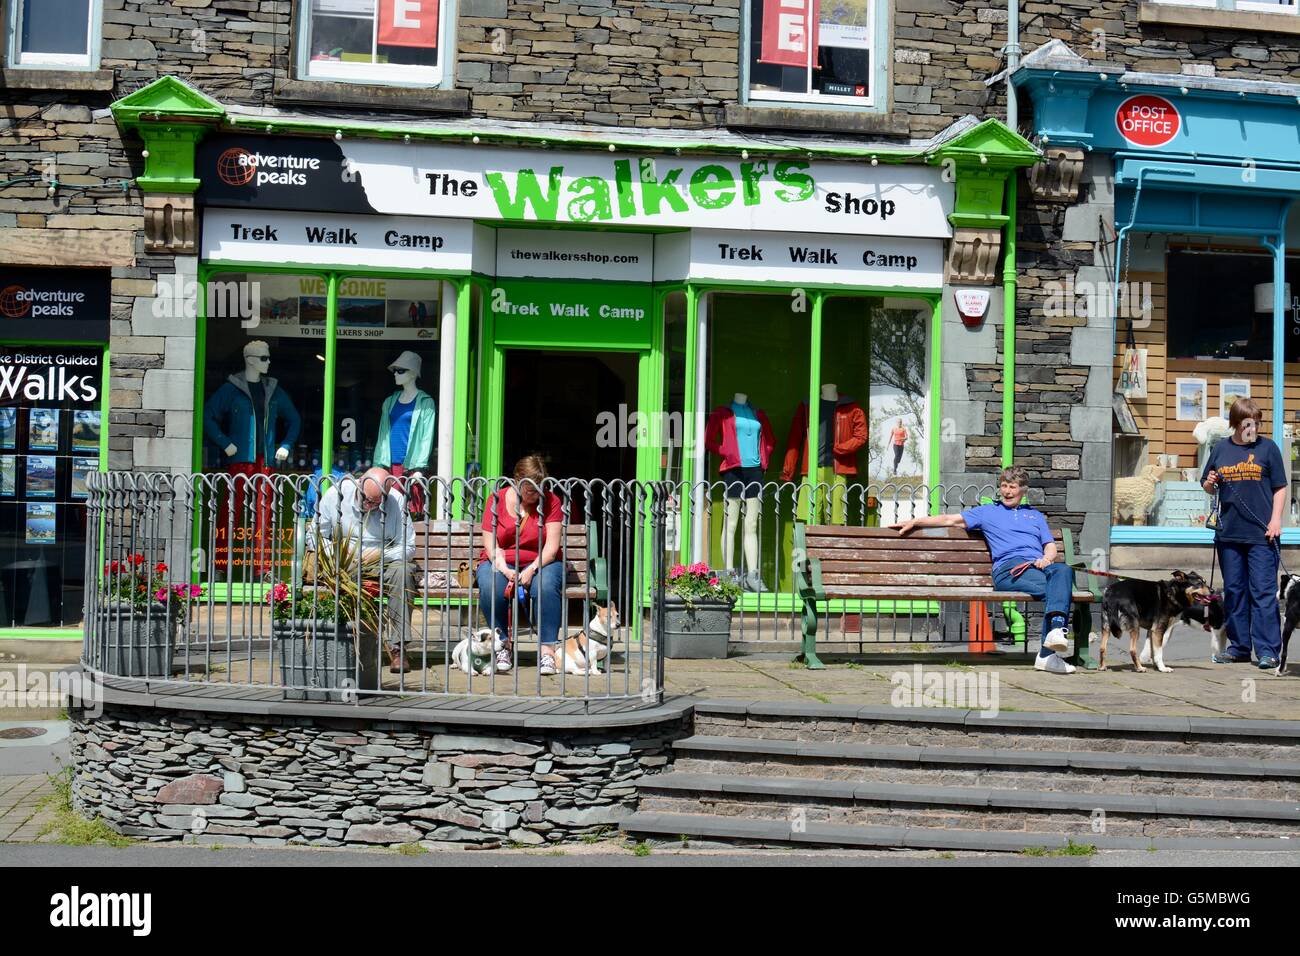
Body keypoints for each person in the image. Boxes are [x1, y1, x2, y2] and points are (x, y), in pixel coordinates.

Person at [890, 466, 1076, 674]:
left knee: (1064, 571)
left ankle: (1053, 638)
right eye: (1003, 486)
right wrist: (916, 520)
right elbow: (950, 519)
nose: (1006, 491)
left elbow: (1050, 546)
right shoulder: (988, 512)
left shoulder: (1035, 516)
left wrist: (1046, 558)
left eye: (1012, 487)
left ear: (1023, 490)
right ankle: (1049, 650)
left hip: (1038, 567)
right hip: (1009, 570)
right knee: (1058, 590)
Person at [1202, 397, 1286, 669]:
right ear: (1235, 425)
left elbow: (1280, 487)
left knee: (1262, 592)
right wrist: (1210, 483)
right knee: (1235, 592)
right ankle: (1239, 648)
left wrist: (1275, 520)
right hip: (1229, 535)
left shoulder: (1269, 449)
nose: (1254, 428)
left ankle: (1268, 651)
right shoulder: (1221, 450)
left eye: (1257, 423)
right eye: (1248, 424)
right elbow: (1207, 484)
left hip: (1263, 535)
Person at [309, 467, 417, 674]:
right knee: (346, 575)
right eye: (367, 499)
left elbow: (408, 547)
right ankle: (352, 643)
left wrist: (377, 556)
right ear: (359, 485)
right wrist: (338, 554)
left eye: (377, 503)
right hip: (346, 560)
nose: (369, 506)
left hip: (384, 561)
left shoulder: (396, 500)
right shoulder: (336, 495)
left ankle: (398, 648)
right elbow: (315, 536)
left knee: (403, 572)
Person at [477, 455, 566, 675]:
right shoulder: (495, 500)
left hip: (542, 561)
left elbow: (552, 548)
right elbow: (490, 544)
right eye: (529, 491)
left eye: (539, 490)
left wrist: (531, 569)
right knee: (490, 583)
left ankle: (547, 651)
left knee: (545, 586)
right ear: (516, 481)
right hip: (501, 560)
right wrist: (505, 569)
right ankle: (502, 645)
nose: (535, 496)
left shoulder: (552, 501)